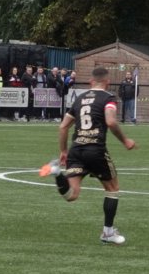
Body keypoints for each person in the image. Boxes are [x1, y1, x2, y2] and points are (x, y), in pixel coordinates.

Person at [38, 65, 136, 244]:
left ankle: (57, 173)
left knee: (72, 195)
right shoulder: (108, 98)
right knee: (112, 189)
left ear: (91, 81)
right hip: (95, 149)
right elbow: (111, 122)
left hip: (76, 150)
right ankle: (107, 232)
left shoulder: (80, 99)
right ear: (107, 82)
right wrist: (125, 141)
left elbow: (63, 127)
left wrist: (63, 151)